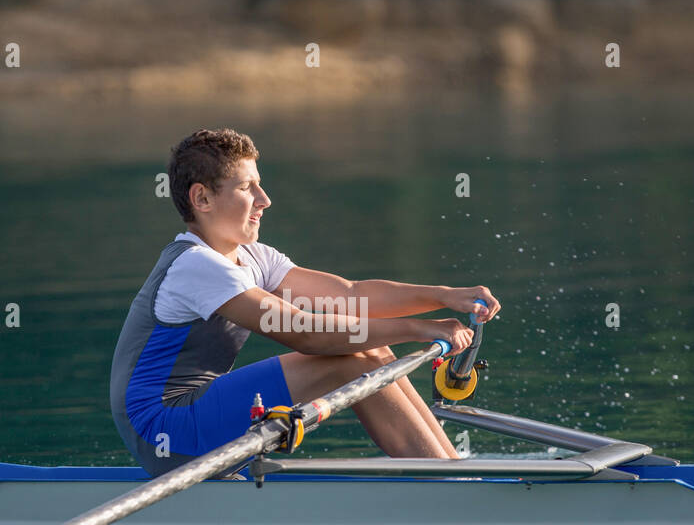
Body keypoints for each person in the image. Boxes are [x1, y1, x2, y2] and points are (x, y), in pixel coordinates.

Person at [109, 127, 501, 477]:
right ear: (202, 199)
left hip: (195, 415)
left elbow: (350, 295)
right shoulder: (196, 265)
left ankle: (450, 469)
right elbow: (307, 334)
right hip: (162, 431)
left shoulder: (253, 256)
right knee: (352, 356)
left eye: (259, 185)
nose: (264, 199)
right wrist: (419, 328)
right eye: (247, 188)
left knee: (369, 345)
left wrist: (444, 296)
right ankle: (451, 486)